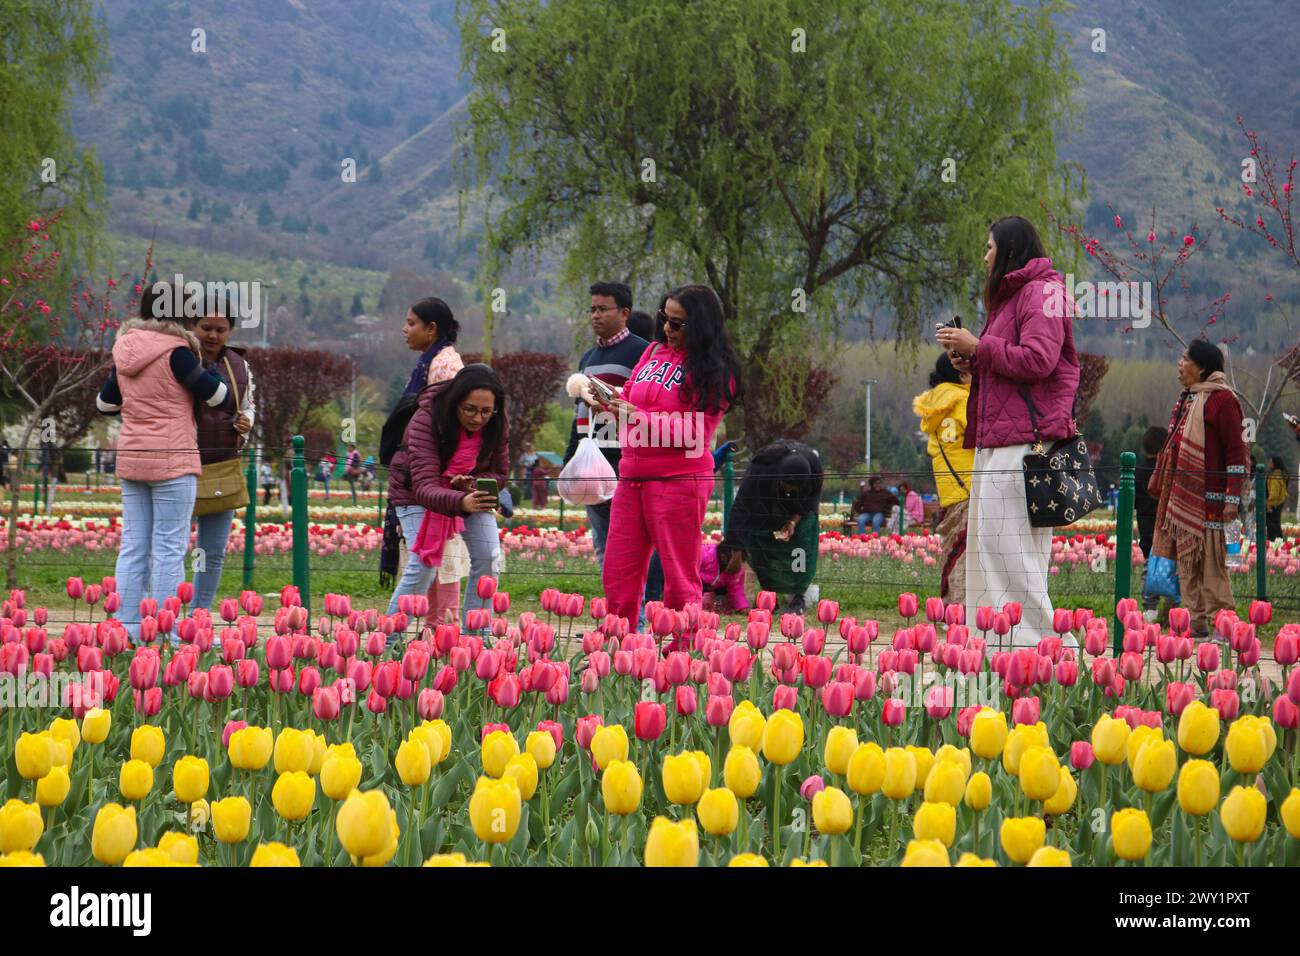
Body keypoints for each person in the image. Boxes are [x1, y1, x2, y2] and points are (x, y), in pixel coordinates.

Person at [937, 215, 1081, 649]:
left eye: (989, 247)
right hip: (999, 439)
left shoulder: (1043, 293)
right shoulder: (1012, 298)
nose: (984, 257)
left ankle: (1038, 649)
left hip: (1025, 444)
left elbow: (1039, 360)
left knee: (1012, 555)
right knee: (991, 553)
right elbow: (1010, 362)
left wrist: (979, 346)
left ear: (1010, 249)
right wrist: (972, 360)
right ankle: (996, 647)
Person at [599, 284, 741, 629]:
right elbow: (631, 397)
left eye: (677, 324)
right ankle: (617, 644)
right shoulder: (651, 353)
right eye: (665, 318)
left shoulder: (717, 371)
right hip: (633, 475)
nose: (666, 329)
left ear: (702, 326)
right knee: (618, 569)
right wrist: (607, 398)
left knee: (678, 574)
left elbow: (695, 434)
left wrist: (634, 415)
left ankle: (680, 649)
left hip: (678, 480)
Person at [97, 282, 233, 640]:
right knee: (169, 546)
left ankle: (125, 627)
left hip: (132, 459)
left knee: (134, 543)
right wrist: (209, 368)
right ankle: (165, 630)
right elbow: (218, 396)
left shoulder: (124, 348)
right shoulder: (178, 353)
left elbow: (105, 404)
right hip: (173, 461)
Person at [386, 363, 508, 630]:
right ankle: (386, 643)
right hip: (415, 494)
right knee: (424, 565)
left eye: (486, 411)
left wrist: (472, 485)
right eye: (470, 409)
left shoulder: (496, 421)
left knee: (489, 556)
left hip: (466, 492)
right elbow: (424, 485)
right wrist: (460, 501)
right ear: (455, 402)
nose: (478, 419)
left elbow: (499, 472)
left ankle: (476, 642)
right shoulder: (427, 418)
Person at [1150, 340, 1248, 642]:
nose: (1180, 364)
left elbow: (1236, 452)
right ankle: (1196, 622)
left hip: (1213, 501)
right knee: (1187, 566)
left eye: (1185, 359)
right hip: (1183, 501)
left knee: (1212, 566)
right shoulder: (1188, 400)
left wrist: (1232, 499)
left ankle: (1225, 623)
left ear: (1202, 367)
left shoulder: (1222, 401)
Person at [378, 296, 465, 622]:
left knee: (426, 559)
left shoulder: (444, 364)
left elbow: (444, 426)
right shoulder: (431, 362)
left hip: (423, 476)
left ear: (432, 329)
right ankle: (422, 631)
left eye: (411, 323)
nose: (405, 329)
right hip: (416, 474)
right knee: (428, 559)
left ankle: (394, 635)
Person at [562, 281, 650, 570]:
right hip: (592, 463)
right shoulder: (589, 358)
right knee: (603, 545)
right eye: (592, 310)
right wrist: (571, 456)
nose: (595, 316)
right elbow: (580, 417)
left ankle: (641, 610)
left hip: (624, 460)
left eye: (603, 309)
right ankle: (613, 611)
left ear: (624, 313)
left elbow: (645, 408)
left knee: (632, 544)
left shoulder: (642, 353)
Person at [187, 304, 256, 612]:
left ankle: (198, 616)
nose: (213, 335)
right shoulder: (181, 359)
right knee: (172, 549)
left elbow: (249, 404)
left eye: (220, 329)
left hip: (223, 465)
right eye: (206, 327)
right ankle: (161, 618)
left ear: (230, 331)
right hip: (182, 466)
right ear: (192, 326)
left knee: (213, 551)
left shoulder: (238, 365)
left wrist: (247, 422)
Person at [720, 440, 822, 616]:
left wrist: (792, 522)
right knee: (760, 542)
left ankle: (798, 595)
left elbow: (810, 502)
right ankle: (768, 594)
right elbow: (741, 507)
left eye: (795, 488)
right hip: (765, 504)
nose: (789, 491)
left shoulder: (813, 468)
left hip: (798, 512)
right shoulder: (762, 468)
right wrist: (736, 552)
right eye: (787, 486)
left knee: (803, 543)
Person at [914, 352, 973, 603]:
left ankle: (951, 605)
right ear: (961, 375)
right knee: (967, 554)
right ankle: (960, 608)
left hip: (949, 489)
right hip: (970, 484)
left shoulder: (934, 406)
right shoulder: (963, 400)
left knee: (955, 550)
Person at [1134, 425, 1168, 621]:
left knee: (1149, 565)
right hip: (1165, 526)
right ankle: (1173, 604)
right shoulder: (1166, 472)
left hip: (1146, 527)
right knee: (1171, 566)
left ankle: (1150, 607)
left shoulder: (1137, 471)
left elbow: (1135, 501)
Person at [700, 541, 749, 614]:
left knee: (723, 604)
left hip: (717, 591)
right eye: (738, 563)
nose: (739, 567)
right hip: (698, 585)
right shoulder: (705, 555)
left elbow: (736, 589)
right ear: (723, 558)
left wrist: (743, 607)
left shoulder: (733, 572)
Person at [1266, 455, 1287, 541]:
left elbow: (1274, 493)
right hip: (1279, 502)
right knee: (1276, 523)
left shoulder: (1275, 476)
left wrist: (1269, 504)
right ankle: (1278, 542)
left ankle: (1275, 542)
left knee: (1272, 525)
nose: (1269, 464)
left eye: (1270, 462)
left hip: (1274, 503)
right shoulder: (1281, 474)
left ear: (1275, 464)